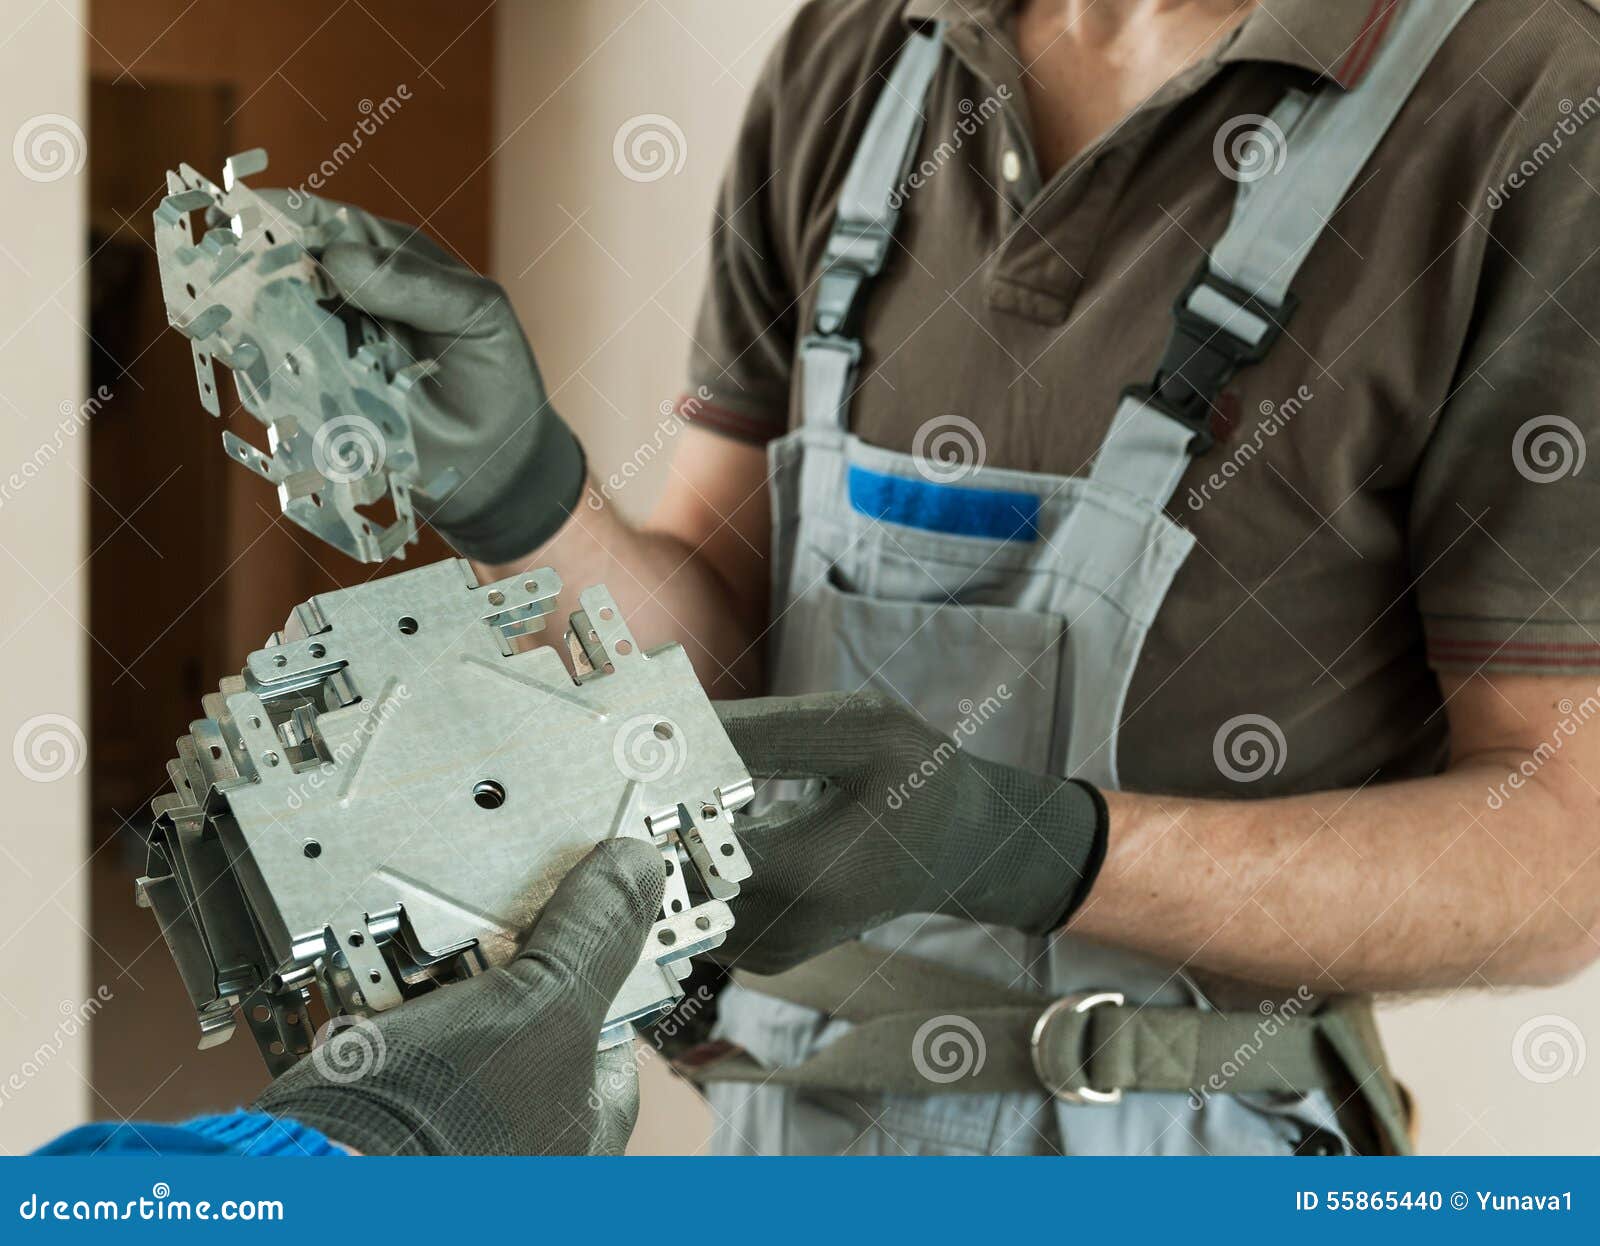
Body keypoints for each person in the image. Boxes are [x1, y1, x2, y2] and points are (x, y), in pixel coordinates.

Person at [51, 0, 1600, 1157]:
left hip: (1182, 1142)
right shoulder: (862, 59)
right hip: (791, 1126)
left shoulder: (1527, 104)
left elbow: (1559, 852)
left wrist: (1037, 846)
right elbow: (717, 665)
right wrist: (529, 493)